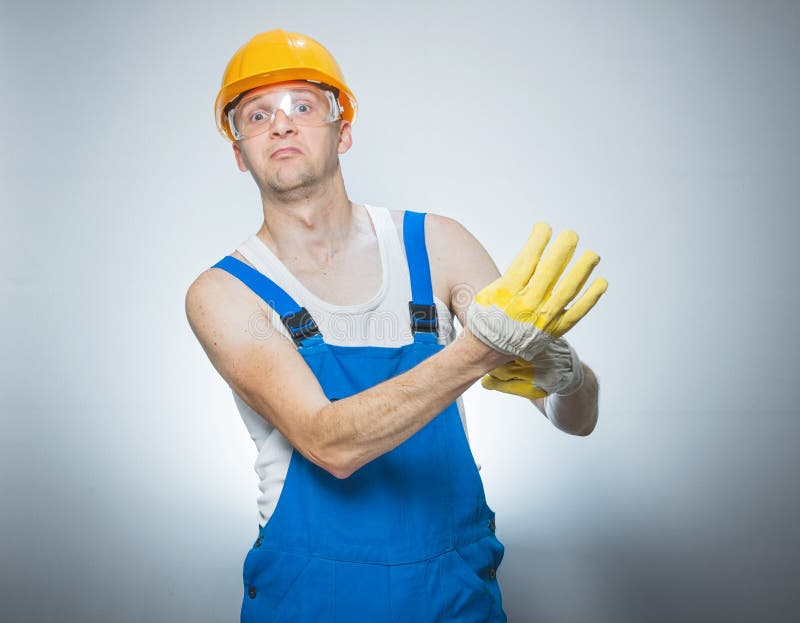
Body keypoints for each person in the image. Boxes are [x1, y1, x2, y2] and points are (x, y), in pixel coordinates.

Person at [185, 29, 607, 623]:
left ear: (343, 130)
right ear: (239, 150)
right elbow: (329, 442)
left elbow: (576, 422)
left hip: (453, 590)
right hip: (310, 595)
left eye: (303, 106)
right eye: (257, 114)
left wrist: (568, 377)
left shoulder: (437, 246)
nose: (281, 125)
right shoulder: (224, 293)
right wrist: (480, 352)